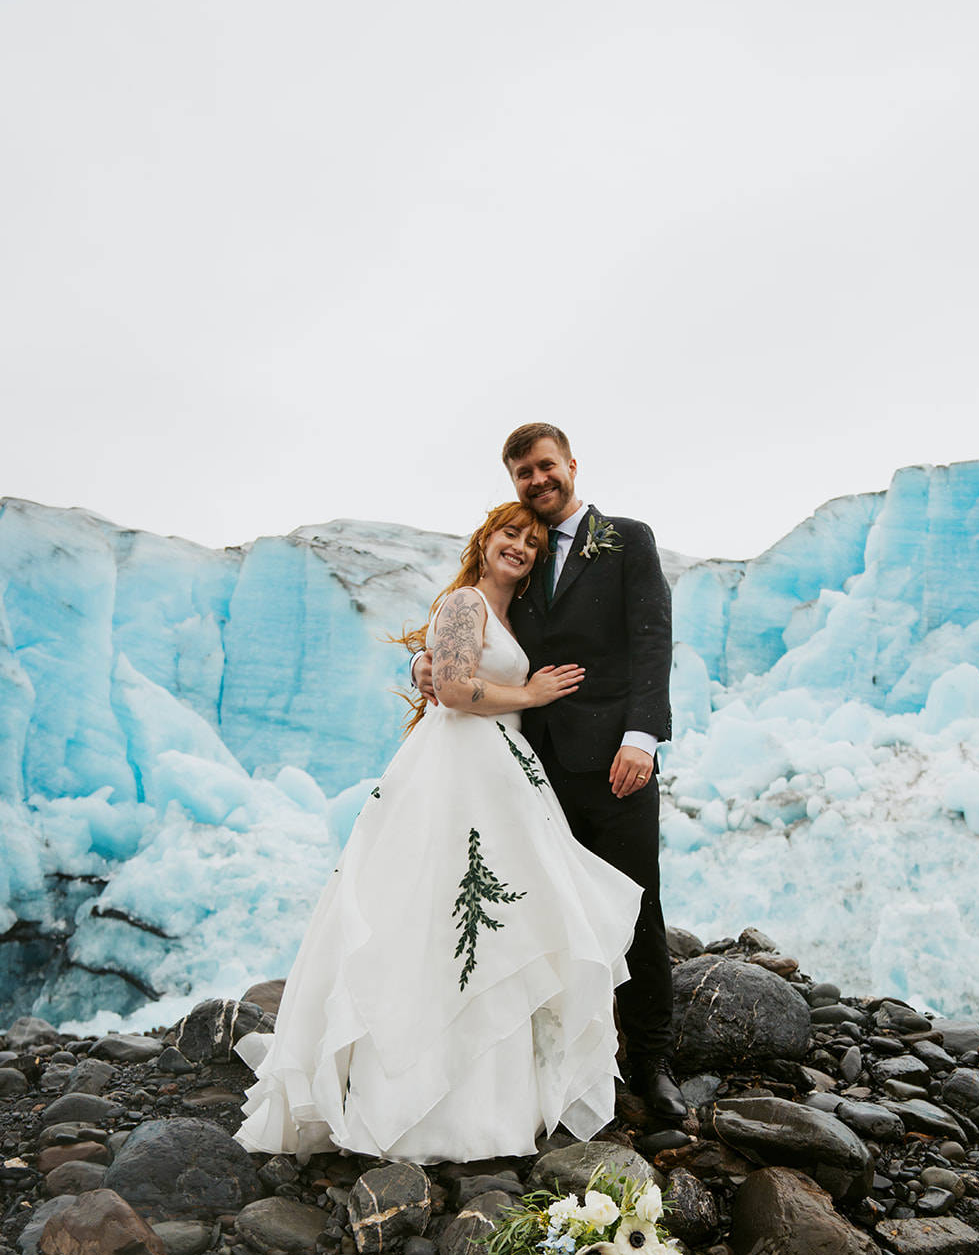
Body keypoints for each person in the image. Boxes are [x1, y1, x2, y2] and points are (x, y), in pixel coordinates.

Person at [235, 501, 642, 1164]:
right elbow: (452, 689)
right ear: (485, 540)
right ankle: (426, 1104)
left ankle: (499, 1100)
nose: (520, 546)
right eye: (509, 533)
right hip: (457, 770)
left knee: (504, 924)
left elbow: (449, 674)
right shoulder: (464, 604)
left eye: (533, 542)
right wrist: (531, 695)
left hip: (499, 774)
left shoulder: (510, 615)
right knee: (435, 916)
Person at [414, 422, 685, 1120]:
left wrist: (641, 737)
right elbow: (478, 626)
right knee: (546, 909)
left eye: (543, 466)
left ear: (569, 463)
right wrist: (425, 665)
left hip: (616, 763)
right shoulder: (521, 556)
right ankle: (560, 1054)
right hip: (533, 768)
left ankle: (650, 1059)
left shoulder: (626, 539)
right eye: (521, 474)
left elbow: (651, 640)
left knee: (634, 904)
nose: (536, 481)